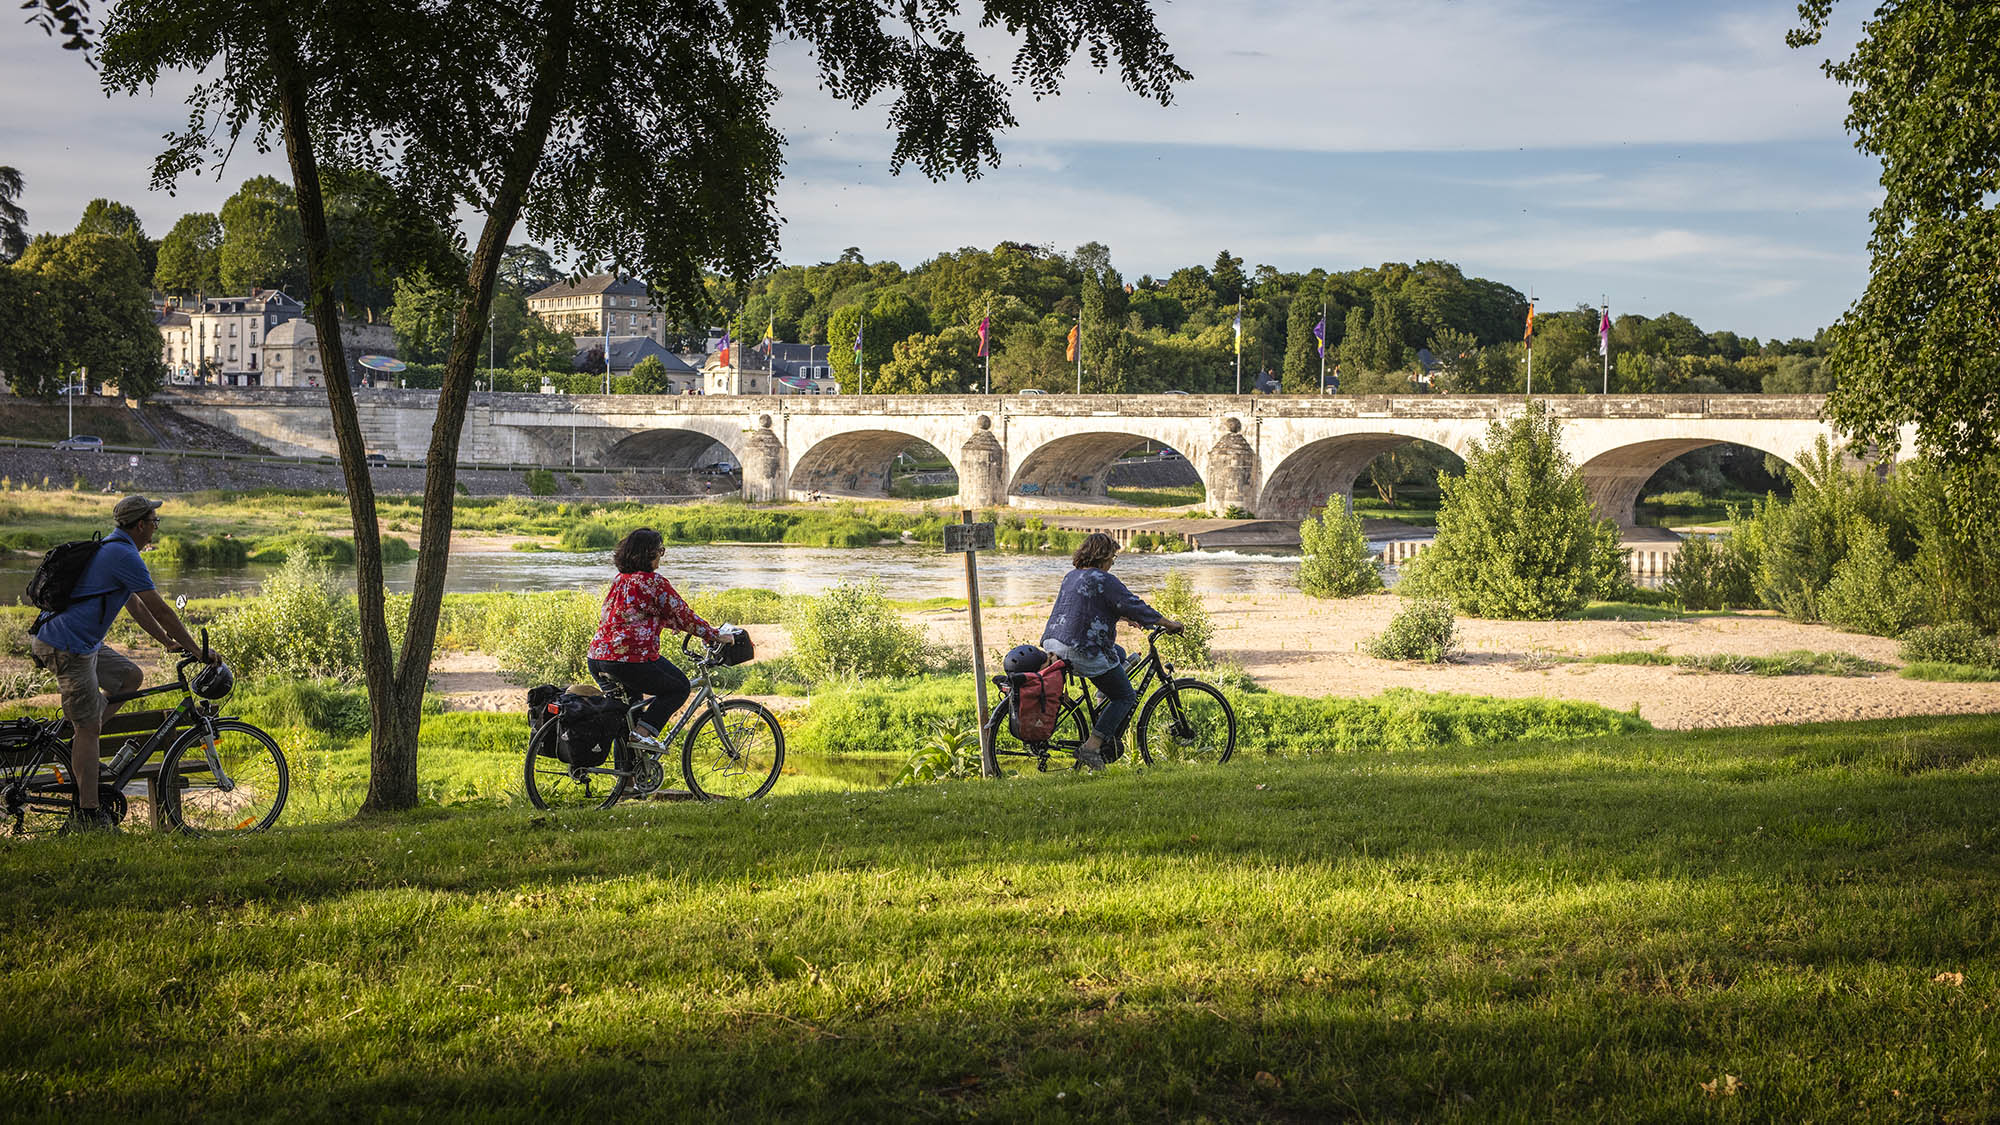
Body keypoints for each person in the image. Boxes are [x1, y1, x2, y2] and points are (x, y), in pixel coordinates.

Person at [28, 495, 217, 833]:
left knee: (131, 676)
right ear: (140, 524)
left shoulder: (113, 549)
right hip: (67, 644)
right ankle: (88, 816)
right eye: (154, 522)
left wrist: (166, 642)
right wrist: (198, 651)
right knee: (89, 729)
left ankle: (84, 743)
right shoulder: (123, 554)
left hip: (79, 641)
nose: (156, 528)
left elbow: (136, 606)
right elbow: (161, 608)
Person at [1041, 533, 1183, 770]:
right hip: (1079, 649)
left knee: (1118, 653)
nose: (1113, 562)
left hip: (1053, 645)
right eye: (1113, 557)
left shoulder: (1072, 576)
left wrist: (1126, 618)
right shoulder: (1104, 579)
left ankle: (1102, 700)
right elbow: (1133, 603)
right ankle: (1091, 747)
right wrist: (1168, 624)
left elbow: (1090, 606)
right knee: (1125, 695)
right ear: (1103, 555)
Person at [586, 528, 723, 749]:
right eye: (660, 550)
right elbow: (682, 614)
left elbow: (641, 614)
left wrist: (675, 625)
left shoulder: (621, 580)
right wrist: (714, 635)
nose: (661, 555)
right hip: (629, 661)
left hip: (597, 658)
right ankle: (643, 734)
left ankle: (628, 781)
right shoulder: (652, 582)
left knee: (628, 717)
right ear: (648, 553)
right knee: (678, 687)